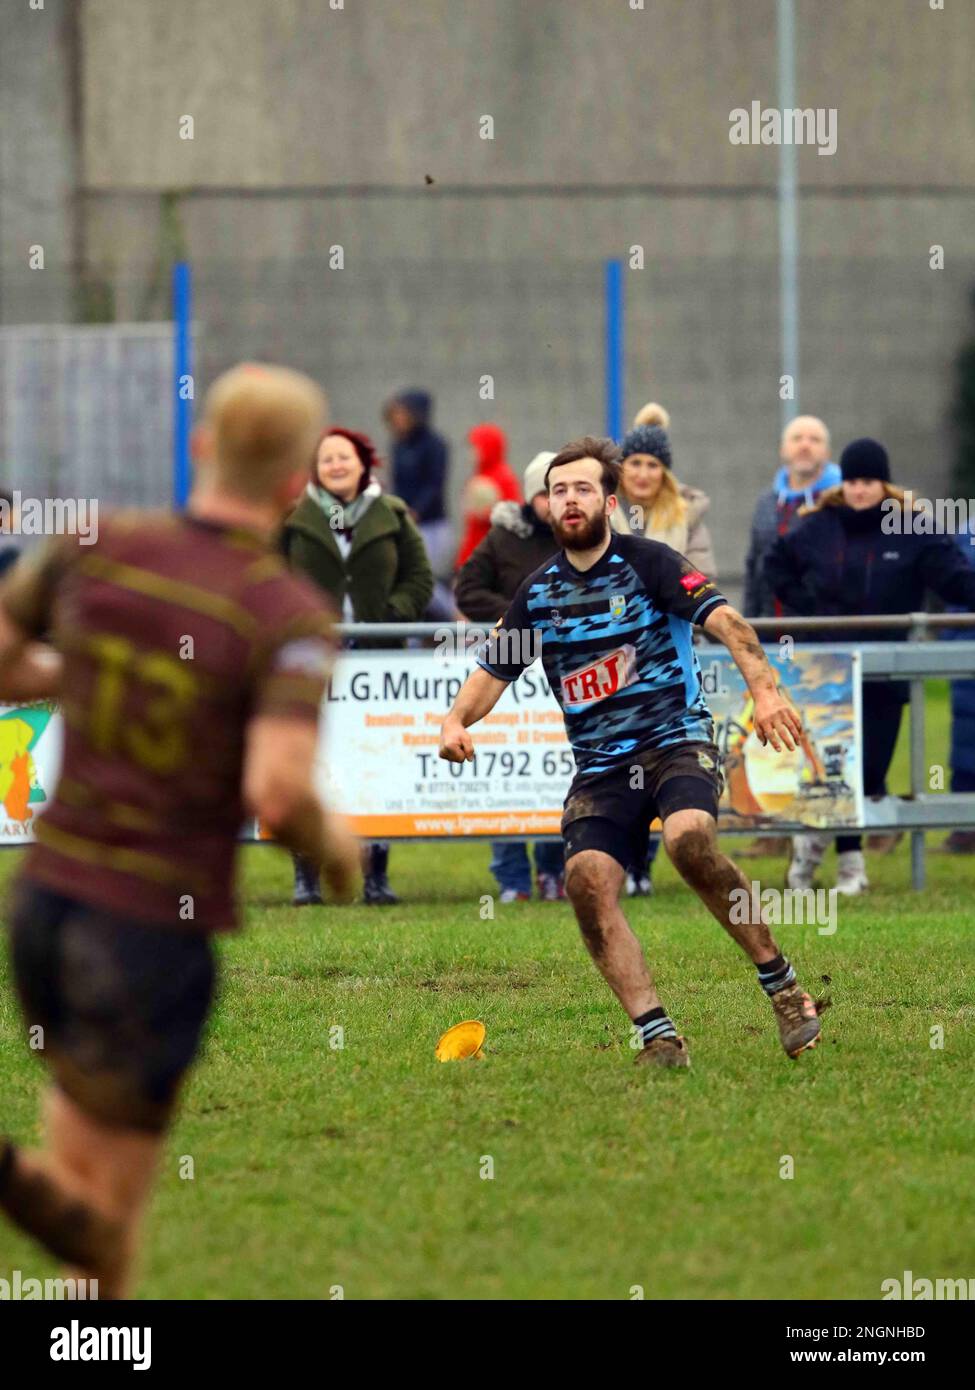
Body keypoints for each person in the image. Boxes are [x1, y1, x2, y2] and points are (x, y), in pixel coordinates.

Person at [0, 363, 360, 1298]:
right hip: (148, 926)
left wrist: (67, 673)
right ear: (295, 485)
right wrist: (338, 852)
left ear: (201, 448)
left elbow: (4, 658)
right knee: (107, 1220)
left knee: (81, 1181)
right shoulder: (287, 614)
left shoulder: (95, 543)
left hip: (42, 902)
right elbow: (277, 791)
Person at [439, 435, 826, 1070]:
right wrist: (456, 718)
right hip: (601, 767)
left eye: (583, 488)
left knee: (688, 839)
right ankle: (657, 1035)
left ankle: (781, 986)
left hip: (675, 739)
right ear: (545, 506)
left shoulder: (651, 563)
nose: (569, 500)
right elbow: (494, 672)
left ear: (609, 500)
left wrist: (767, 692)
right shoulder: (538, 594)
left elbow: (730, 623)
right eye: (557, 490)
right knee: (586, 882)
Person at [765, 437, 975, 894]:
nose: (860, 490)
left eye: (870, 481)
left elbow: (954, 577)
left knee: (871, 770)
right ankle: (846, 868)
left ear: (884, 483)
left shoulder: (912, 528)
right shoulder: (817, 526)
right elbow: (775, 564)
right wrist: (811, 611)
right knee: (834, 766)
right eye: (854, 480)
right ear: (845, 482)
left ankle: (815, 849)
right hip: (827, 672)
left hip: (887, 671)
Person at [280, 426, 433, 906]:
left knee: (377, 759)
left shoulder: (392, 514)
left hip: (377, 657)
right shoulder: (291, 519)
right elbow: (265, 575)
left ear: (363, 462)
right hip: (311, 660)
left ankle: (376, 875)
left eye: (343, 457)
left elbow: (420, 577)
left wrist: (393, 616)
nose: (335, 465)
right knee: (311, 761)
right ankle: (307, 875)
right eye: (326, 459)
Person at [611, 408, 717, 895]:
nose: (644, 473)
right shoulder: (604, 514)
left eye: (654, 465)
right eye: (635, 463)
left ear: (665, 472)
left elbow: (700, 579)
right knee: (622, 759)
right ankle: (628, 862)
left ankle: (650, 862)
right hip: (613, 652)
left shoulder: (687, 517)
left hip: (671, 655)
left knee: (668, 757)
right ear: (622, 469)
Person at [455, 450, 564, 901]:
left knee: (556, 777)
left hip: (559, 668)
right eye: (544, 493)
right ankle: (512, 879)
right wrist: (520, 617)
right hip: (508, 666)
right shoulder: (502, 538)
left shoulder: (578, 539)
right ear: (530, 496)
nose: (552, 503)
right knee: (506, 778)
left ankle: (554, 871)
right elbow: (466, 588)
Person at [744, 415, 840, 619]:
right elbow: (754, 567)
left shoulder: (839, 502)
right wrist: (749, 621)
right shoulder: (766, 502)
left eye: (815, 439)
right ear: (783, 449)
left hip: (820, 631)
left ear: (828, 452)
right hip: (769, 629)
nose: (805, 445)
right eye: (797, 438)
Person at [383, 388, 452, 582]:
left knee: (428, 580)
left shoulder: (435, 444)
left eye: (402, 414)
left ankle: (448, 612)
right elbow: (398, 482)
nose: (397, 419)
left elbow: (434, 484)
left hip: (430, 524)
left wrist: (416, 511)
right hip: (403, 520)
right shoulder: (398, 444)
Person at [455, 423, 522, 569]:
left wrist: (487, 513)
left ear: (488, 448)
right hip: (474, 549)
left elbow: (513, 516)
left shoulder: (504, 478)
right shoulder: (479, 475)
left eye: (475, 448)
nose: (472, 453)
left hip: (492, 555)